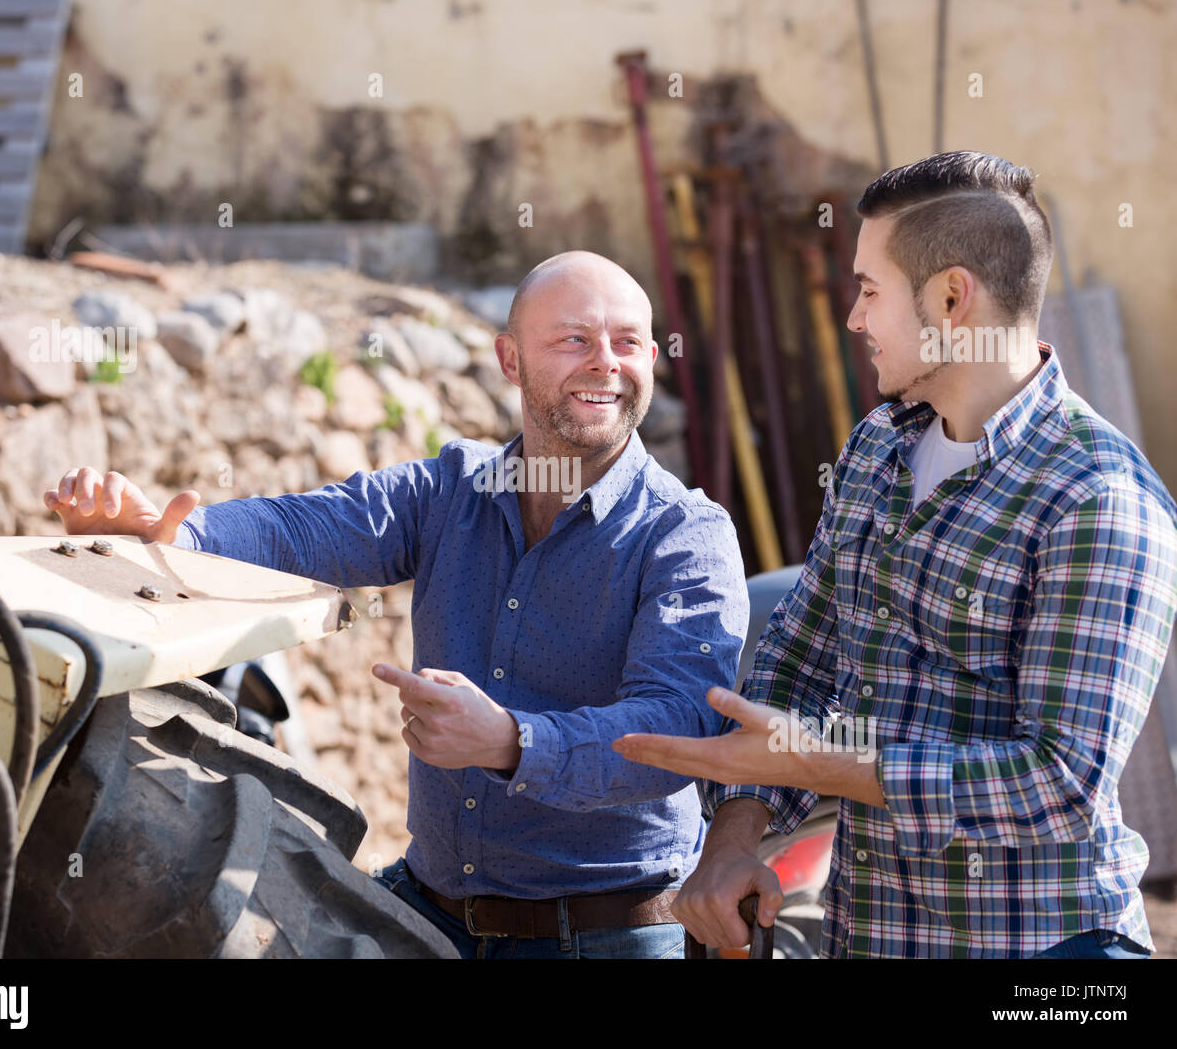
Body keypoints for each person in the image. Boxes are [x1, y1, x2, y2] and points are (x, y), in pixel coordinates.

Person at [43, 250, 748, 959]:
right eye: (574, 340)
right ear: (509, 359)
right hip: (432, 913)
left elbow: (678, 729)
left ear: (652, 357)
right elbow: (311, 527)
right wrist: (172, 536)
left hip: (610, 935)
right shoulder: (452, 490)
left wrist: (510, 741)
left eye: (626, 343)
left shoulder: (686, 534)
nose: (605, 363)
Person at [615, 152, 1177, 959]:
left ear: (952, 298)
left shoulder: (1099, 499)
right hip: (872, 936)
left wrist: (830, 765)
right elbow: (798, 660)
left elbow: (1059, 781)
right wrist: (738, 832)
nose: (853, 317)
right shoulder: (879, 446)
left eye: (870, 290)